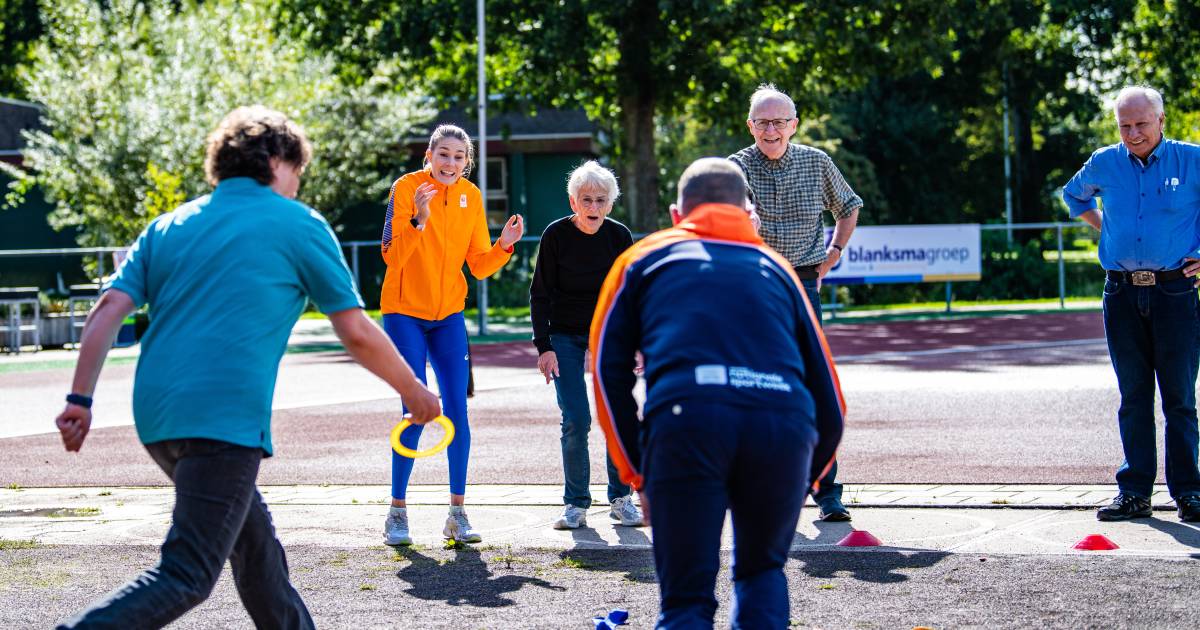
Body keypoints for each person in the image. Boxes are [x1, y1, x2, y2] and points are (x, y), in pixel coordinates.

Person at [53, 106, 441, 629]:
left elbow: (106, 312)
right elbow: (355, 331)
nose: (298, 184)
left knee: (256, 550)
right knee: (188, 573)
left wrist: (79, 400)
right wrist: (414, 390)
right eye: (298, 171)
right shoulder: (300, 225)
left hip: (158, 417)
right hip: (222, 419)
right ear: (277, 161)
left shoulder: (170, 225)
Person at [590, 158, 845, 628]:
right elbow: (830, 396)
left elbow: (607, 373)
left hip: (688, 420)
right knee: (762, 572)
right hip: (780, 425)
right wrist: (805, 477)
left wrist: (637, 471)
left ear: (675, 214)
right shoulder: (779, 270)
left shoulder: (641, 260)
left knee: (687, 602)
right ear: (750, 213)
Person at [380, 124, 525, 545]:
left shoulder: (472, 197)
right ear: (429, 154)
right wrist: (419, 221)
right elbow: (392, 256)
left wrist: (505, 245)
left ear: (468, 161)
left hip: (449, 317)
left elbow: (478, 265)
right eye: (443, 154)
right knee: (417, 406)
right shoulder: (406, 188)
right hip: (404, 312)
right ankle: (397, 513)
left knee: (457, 411)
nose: (450, 163)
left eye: (459, 157)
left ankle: (457, 514)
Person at [1062, 85, 1200, 523]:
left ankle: (1190, 493)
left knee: (1178, 397)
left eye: (1141, 123)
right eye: (1125, 125)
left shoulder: (1192, 160)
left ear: (1162, 120)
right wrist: (1104, 226)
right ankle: (1136, 491)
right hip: (1120, 293)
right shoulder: (1104, 161)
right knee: (1133, 395)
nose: (1133, 133)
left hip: (1175, 291)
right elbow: (1073, 195)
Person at [728, 83, 862, 522]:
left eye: (779, 121)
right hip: (752, 288)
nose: (771, 130)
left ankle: (828, 493)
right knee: (754, 385)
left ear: (793, 125)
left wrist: (833, 255)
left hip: (804, 283)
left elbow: (849, 205)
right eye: (763, 122)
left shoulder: (816, 161)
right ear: (750, 125)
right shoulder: (732, 170)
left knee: (812, 388)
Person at [529, 160, 643, 530]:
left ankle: (620, 498)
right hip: (564, 334)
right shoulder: (555, 236)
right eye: (586, 199)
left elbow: (631, 294)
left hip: (610, 334)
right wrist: (544, 346)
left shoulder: (619, 236)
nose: (593, 207)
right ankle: (576, 503)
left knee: (616, 414)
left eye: (601, 200)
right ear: (572, 201)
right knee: (576, 418)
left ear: (610, 204)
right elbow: (540, 293)